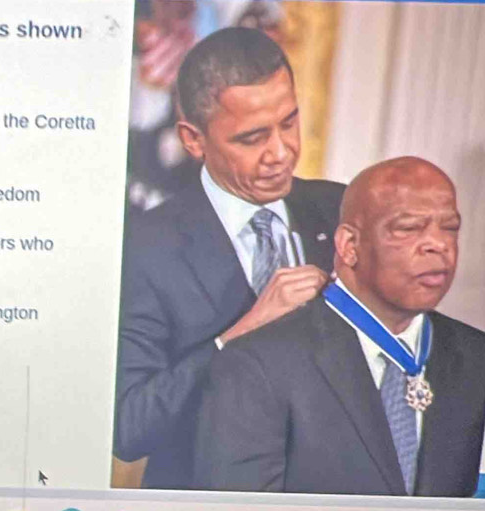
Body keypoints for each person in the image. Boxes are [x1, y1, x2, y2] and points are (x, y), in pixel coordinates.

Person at [113, 26, 345, 488]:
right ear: (193, 140)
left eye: (289, 122)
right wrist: (238, 335)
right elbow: (129, 427)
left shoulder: (344, 211)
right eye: (252, 137)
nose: (281, 153)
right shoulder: (145, 246)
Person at [194, 157, 485, 496]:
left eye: (449, 228)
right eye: (408, 228)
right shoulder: (257, 366)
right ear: (349, 246)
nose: (439, 244)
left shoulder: (476, 356)